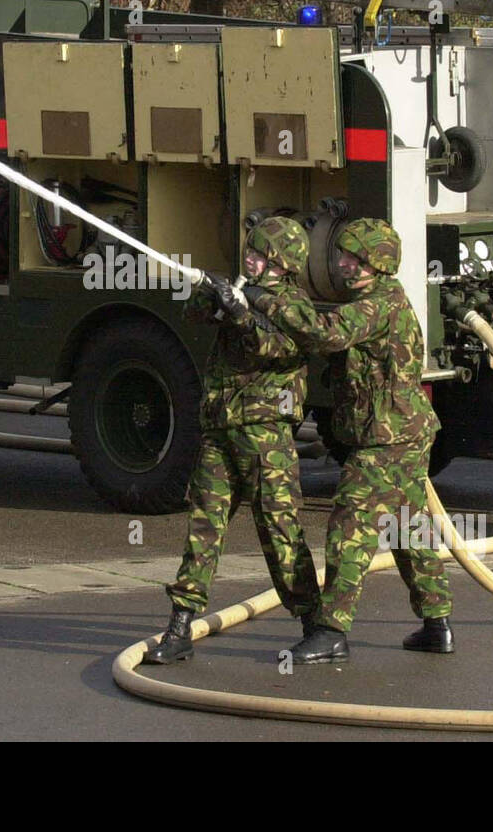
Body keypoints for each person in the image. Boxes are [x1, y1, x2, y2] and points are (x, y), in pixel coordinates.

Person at [250, 218, 453, 664]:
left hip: (389, 438)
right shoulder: (374, 300)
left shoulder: (379, 304)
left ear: (375, 263)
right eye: (342, 255)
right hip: (402, 433)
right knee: (408, 529)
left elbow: (328, 333)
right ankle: (437, 623)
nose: (341, 263)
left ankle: (332, 630)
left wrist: (266, 300)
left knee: (349, 526)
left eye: (351, 258)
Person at [143, 216, 321, 664]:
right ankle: (180, 624)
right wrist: (215, 295)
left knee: (281, 534)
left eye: (260, 255)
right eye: (250, 251)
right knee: (203, 527)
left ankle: (316, 625)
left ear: (282, 265)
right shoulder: (243, 290)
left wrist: (243, 315)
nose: (250, 259)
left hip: (265, 439)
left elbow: (273, 348)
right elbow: (192, 313)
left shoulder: (296, 308)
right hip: (220, 432)